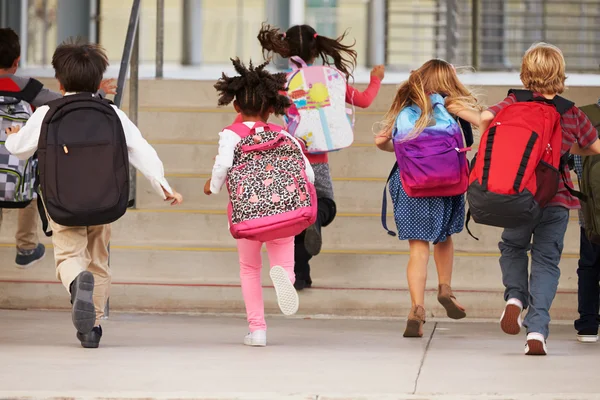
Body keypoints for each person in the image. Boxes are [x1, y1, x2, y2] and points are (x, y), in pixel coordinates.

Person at [4, 40, 182, 348]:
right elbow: (141, 148)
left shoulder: (47, 111)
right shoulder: (112, 112)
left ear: (59, 82)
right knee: (99, 260)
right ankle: (92, 326)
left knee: (70, 256)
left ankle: (76, 283)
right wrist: (162, 184)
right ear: (99, 81)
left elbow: (20, 151)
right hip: (103, 201)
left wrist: (11, 138)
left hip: (62, 202)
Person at [480, 43, 600, 355]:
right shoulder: (571, 112)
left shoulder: (511, 102)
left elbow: (483, 118)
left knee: (512, 247)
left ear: (526, 72)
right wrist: (571, 149)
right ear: (560, 74)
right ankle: (536, 332)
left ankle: (515, 297)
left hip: (519, 196)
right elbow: (594, 147)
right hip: (556, 199)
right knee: (546, 263)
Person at [257, 23, 384, 290]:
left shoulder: (281, 82)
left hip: (289, 159)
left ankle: (300, 276)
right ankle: (317, 219)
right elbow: (364, 101)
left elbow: (259, 111)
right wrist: (376, 80)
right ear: (316, 49)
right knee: (325, 204)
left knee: (294, 217)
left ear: (285, 49)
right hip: (318, 160)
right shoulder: (331, 77)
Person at [204, 58, 315, 347]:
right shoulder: (284, 135)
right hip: (284, 214)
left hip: (249, 214)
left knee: (249, 269)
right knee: (283, 260)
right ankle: (287, 279)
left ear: (236, 107)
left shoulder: (232, 134)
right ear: (271, 107)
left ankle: (258, 330)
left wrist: (213, 187)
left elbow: (223, 164)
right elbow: (309, 175)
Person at [374, 59, 481, 338]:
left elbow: (381, 142)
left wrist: (399, 147)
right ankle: (445, 288)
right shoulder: (452, 107)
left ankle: (417, 308)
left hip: (412, 185)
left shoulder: (406, 107)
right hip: (449, 183)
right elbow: (484, 121)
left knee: (418, 249)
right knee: (444, 238)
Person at [0, 27, 115, 268]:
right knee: (31, 184)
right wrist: (100, 94)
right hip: (19, 167)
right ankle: (26, 247)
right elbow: (68, 102)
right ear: (17, 60)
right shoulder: (27, 87)